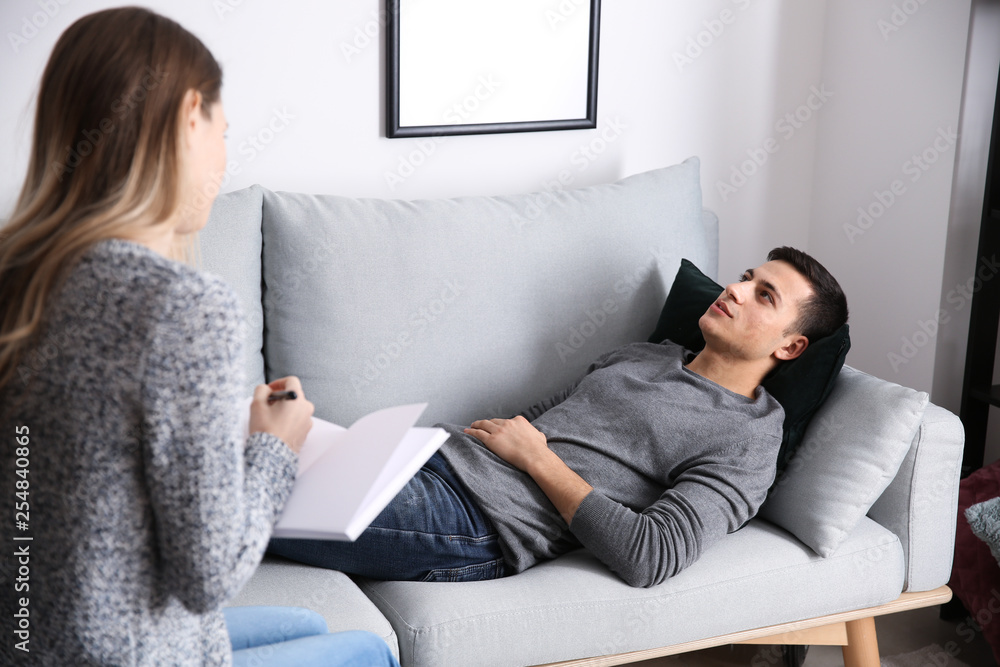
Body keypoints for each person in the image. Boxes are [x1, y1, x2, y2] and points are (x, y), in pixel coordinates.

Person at [0, 8, 398, 666]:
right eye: (223, 130)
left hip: (29, 642)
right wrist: (274, 447)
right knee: (368, 648)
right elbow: (208, 575)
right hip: (129, 654)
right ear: (190, 116)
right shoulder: (181, 307)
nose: (224, 154)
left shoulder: (20, 278)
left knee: (302, 619)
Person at [269, 247, 849, 588]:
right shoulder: (647, 355)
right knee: (253, 431)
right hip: (435, 458)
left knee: (249, 495)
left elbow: (653, 554)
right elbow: (542, 418)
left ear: (791, 348)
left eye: (764, 296)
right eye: (748, 277)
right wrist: (491, 442)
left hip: (481, 524)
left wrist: (537, 458)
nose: (737, 289)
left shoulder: (747, 440)